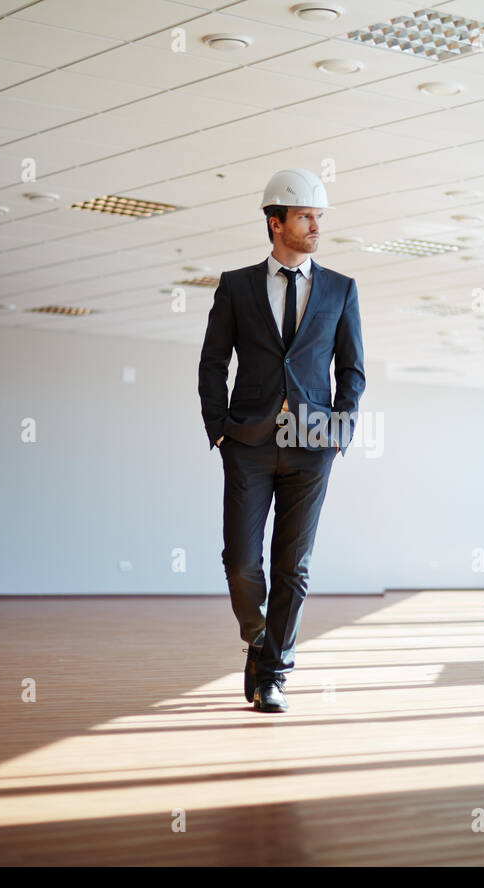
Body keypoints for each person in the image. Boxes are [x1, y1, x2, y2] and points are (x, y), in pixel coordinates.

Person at [197, 169, 366, 713]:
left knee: (295, 565)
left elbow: (353, 370)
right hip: (247, 440)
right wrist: (219, 428)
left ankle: (274, 673)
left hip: (313, 445)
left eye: (319, 217)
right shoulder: (237, 285)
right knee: (242, 560)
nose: (317, 226)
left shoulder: (341, 289)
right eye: (306, 216)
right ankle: (258, 637)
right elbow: (213, 363)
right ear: (276, 223)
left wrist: (341, 428)